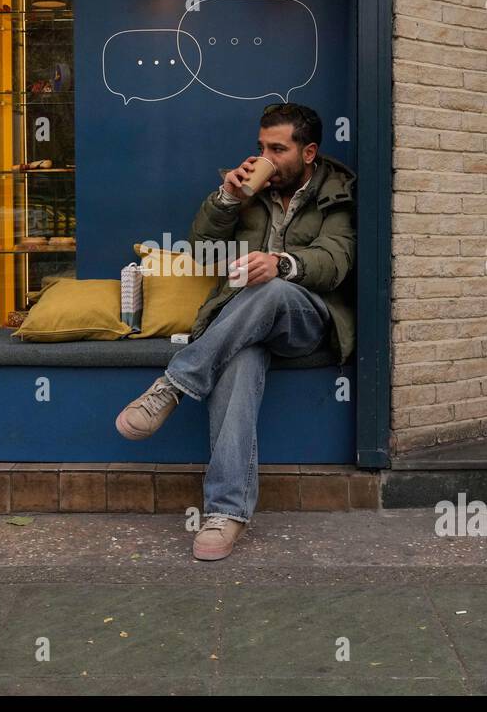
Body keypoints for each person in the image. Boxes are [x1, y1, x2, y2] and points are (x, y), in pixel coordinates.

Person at [115, 103, 357, 561]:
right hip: (240, 323)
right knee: (240, 361)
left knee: (269, 290)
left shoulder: (337, 193)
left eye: (278, 148)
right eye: (262, 146)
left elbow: (336, 261)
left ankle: (174, 384)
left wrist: (281, 264)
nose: (265, 155)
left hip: (306, 316)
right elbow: (204, 252)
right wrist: (227, 198)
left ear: (308, 152)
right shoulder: (250, 189)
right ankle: (226, 512)